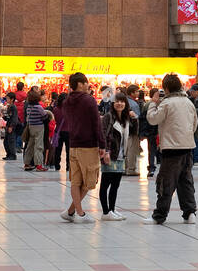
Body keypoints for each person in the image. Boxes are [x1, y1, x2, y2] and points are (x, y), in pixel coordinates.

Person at [143, 73, 198, 224]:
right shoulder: (188, 102)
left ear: (166, 88)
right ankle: (190, 213)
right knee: (186, 181)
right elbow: (194, 124)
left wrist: (153, 103)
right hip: (187, 147)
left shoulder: (166, 103)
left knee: (166, 182)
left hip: (171, 148)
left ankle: (159, 216)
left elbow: (153, 119)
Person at [59, 73, 103, 221]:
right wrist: (102, 144)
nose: (87, 85)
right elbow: (96, 124)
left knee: (76, 180)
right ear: (79, 84)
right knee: (90, 181)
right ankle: (79, 213)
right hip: (88, 145)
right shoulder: (88, 100)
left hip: (73, 145)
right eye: (86, 83)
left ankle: (72, 211)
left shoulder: (66, 102)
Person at [99, 92, 135, 220]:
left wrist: (134, 118)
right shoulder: (109, 117)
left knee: (115, 185)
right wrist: (106, 152)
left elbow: (133, 132)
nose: (119, 103)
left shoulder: (126, 118)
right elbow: (104, 135)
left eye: (122, 101)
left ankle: (112, 210)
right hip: (110, 155)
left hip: (120, 156)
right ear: (113, 103)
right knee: (105, 184)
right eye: (117, 101)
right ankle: (105, 212)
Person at [22, 89, 53, 171]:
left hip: (31, 127)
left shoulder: (28, 107)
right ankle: (38, 165)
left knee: (30, 146)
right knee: (38, 146)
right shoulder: (38, 107)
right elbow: (44, 117)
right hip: (39, 127)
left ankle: (27, 163)